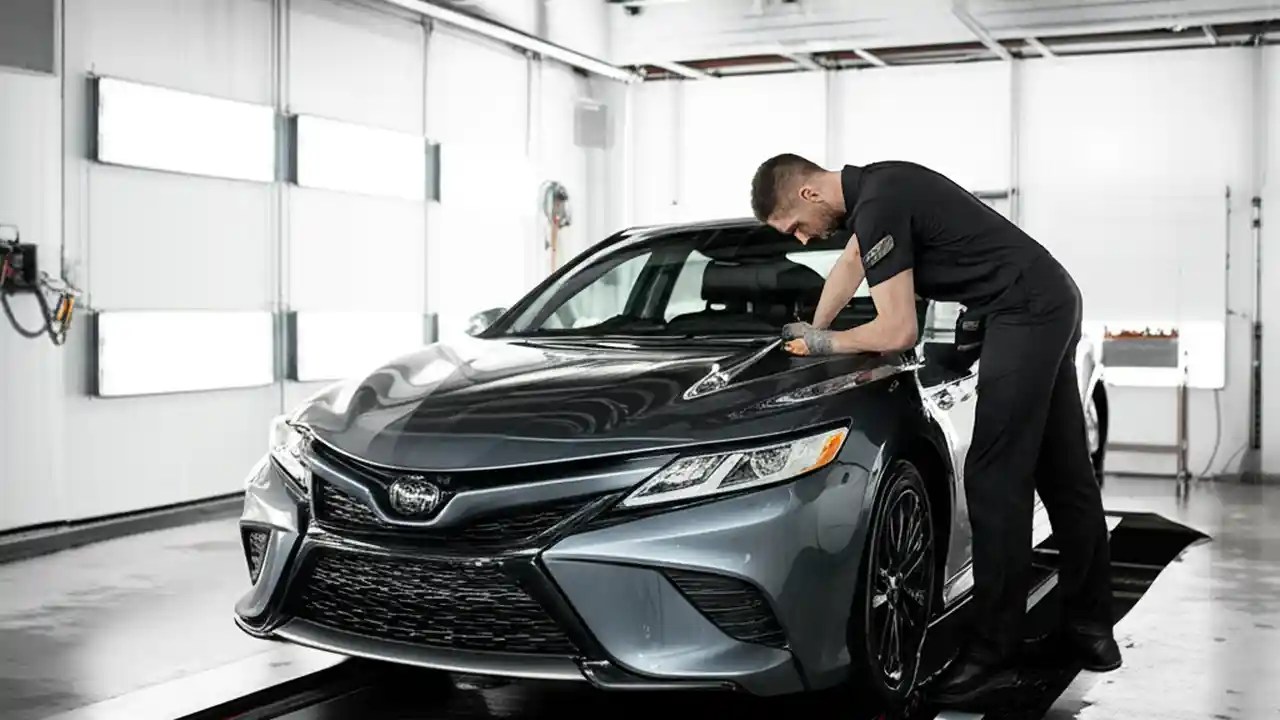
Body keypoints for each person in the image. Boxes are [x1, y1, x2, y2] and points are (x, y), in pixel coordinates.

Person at [749, 154, 1120, 708]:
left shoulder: (877, 204)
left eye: (794, 228)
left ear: (808, 194)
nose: (801, 240)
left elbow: (899, 331)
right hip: (1050, 296)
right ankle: (1091, 632)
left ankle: (993, 656)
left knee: (994, 477)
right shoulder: (878, 187)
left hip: (1024, 310)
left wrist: (826, 344)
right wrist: (810, 327)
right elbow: (850, 264)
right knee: (1063, 472)